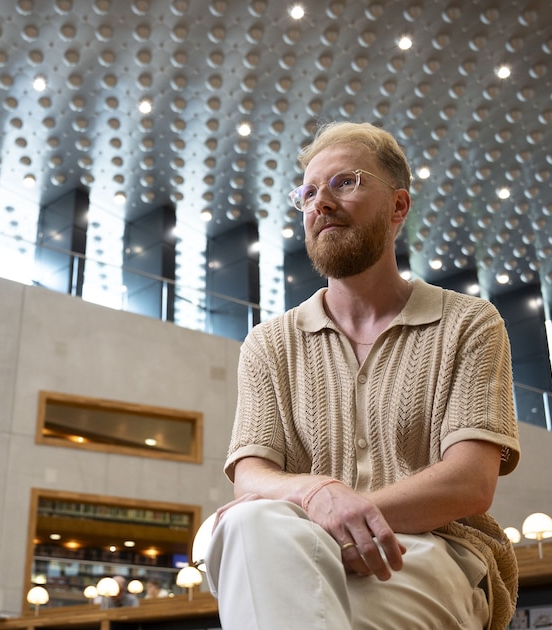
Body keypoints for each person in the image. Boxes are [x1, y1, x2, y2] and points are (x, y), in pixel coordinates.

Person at [203, 121, 522, 630]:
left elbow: (469, 484)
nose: (320, 202)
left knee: (252, 540)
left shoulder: (469, 323)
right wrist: (318, 498)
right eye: (307, 192)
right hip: (297, 546)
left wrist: (337, 519)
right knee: (250, 523)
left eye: (345, 183)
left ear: (398, 207)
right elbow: (251, 476)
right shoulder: (269, 343)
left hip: (431, 552)